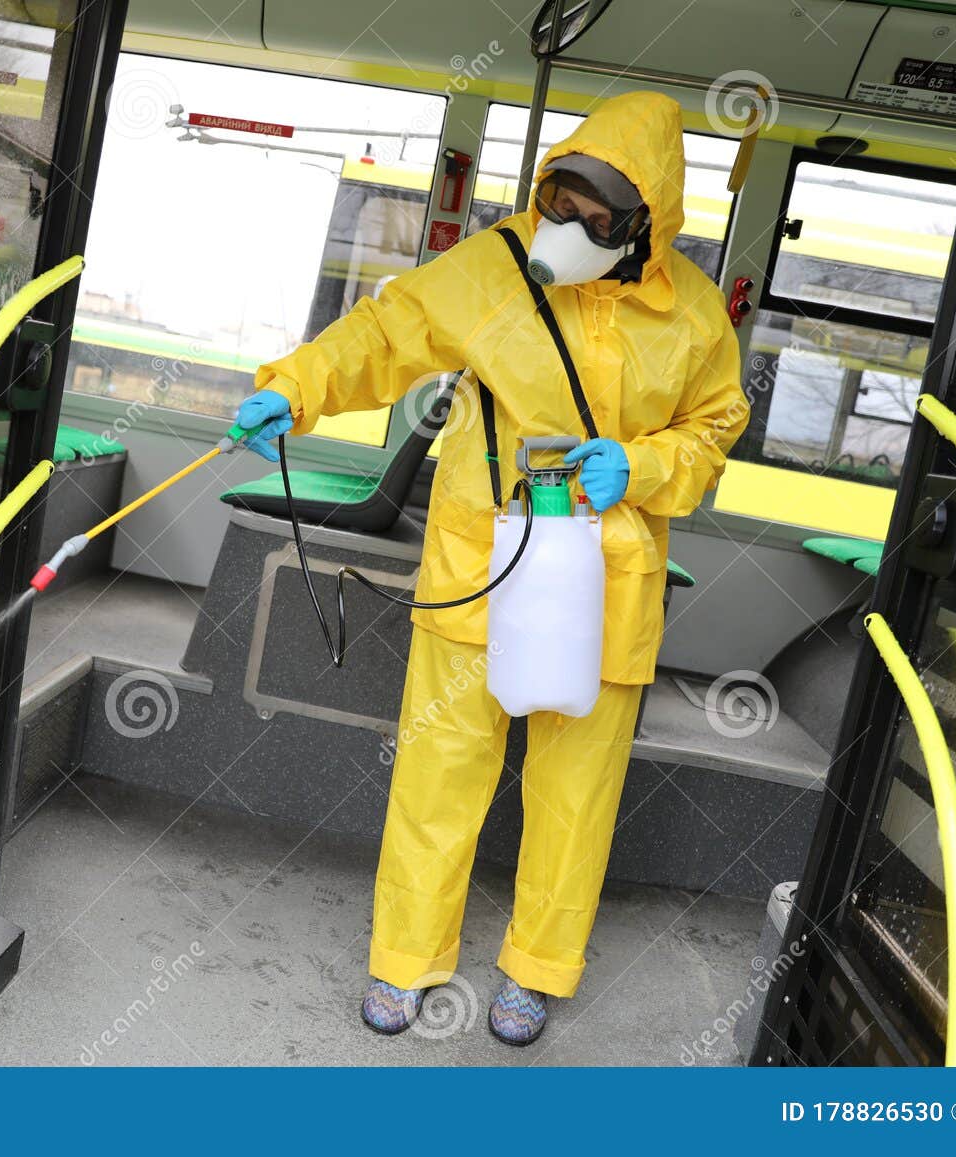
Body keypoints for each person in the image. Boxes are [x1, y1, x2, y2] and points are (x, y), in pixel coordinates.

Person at [232, 91, 749, 1046]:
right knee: (440, 771)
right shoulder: (495, 266)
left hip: (608, 576)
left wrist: (641, 467)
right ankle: (404, 960)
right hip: (487, 553)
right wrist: (292, 391)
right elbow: (385, 336)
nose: (571, 228)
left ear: (649, 224)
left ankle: (537, 970)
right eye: (563, 201)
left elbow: (716, 425)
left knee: (574, 794)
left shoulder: (692, 316)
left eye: (600, 219)